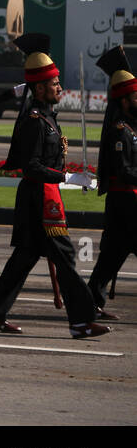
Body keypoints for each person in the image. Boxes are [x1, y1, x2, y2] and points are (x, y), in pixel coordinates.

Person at [0, 35, 109, 338]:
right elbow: (32, 167)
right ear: (39, 89)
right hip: (39, 198)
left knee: (24, 258)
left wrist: (74, 175)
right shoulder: (35, 121)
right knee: (65, 257)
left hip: (42, 195)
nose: (59, 88)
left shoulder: (48, 118)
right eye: (54, 84)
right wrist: (66, 178)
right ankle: (81, 320)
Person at [88, 46, 137, 312]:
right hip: (124, 200)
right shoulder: (120, 133)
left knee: (112, 255)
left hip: (128, 200)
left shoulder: (131, 129)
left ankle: (91, 298)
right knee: (113, 253)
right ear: (125, 100)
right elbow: (124, 171)